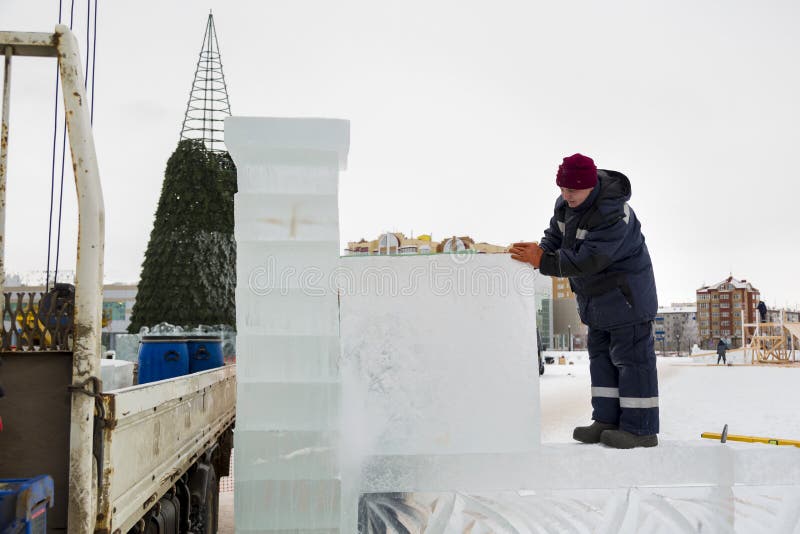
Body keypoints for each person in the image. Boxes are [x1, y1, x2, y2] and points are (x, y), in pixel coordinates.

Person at [510, 153, 659, 449]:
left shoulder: (613, 212)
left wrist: (543, 261)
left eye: (572, 190)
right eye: (562, 189)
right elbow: (555, 236)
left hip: (627, 299)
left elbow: (589, 259)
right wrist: (539, 251)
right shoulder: (566, 205)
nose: (566, 195)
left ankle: (640, 429)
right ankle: (606, 420)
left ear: (590, 185)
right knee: (601, 361)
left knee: (632, 362)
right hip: (597, 302)